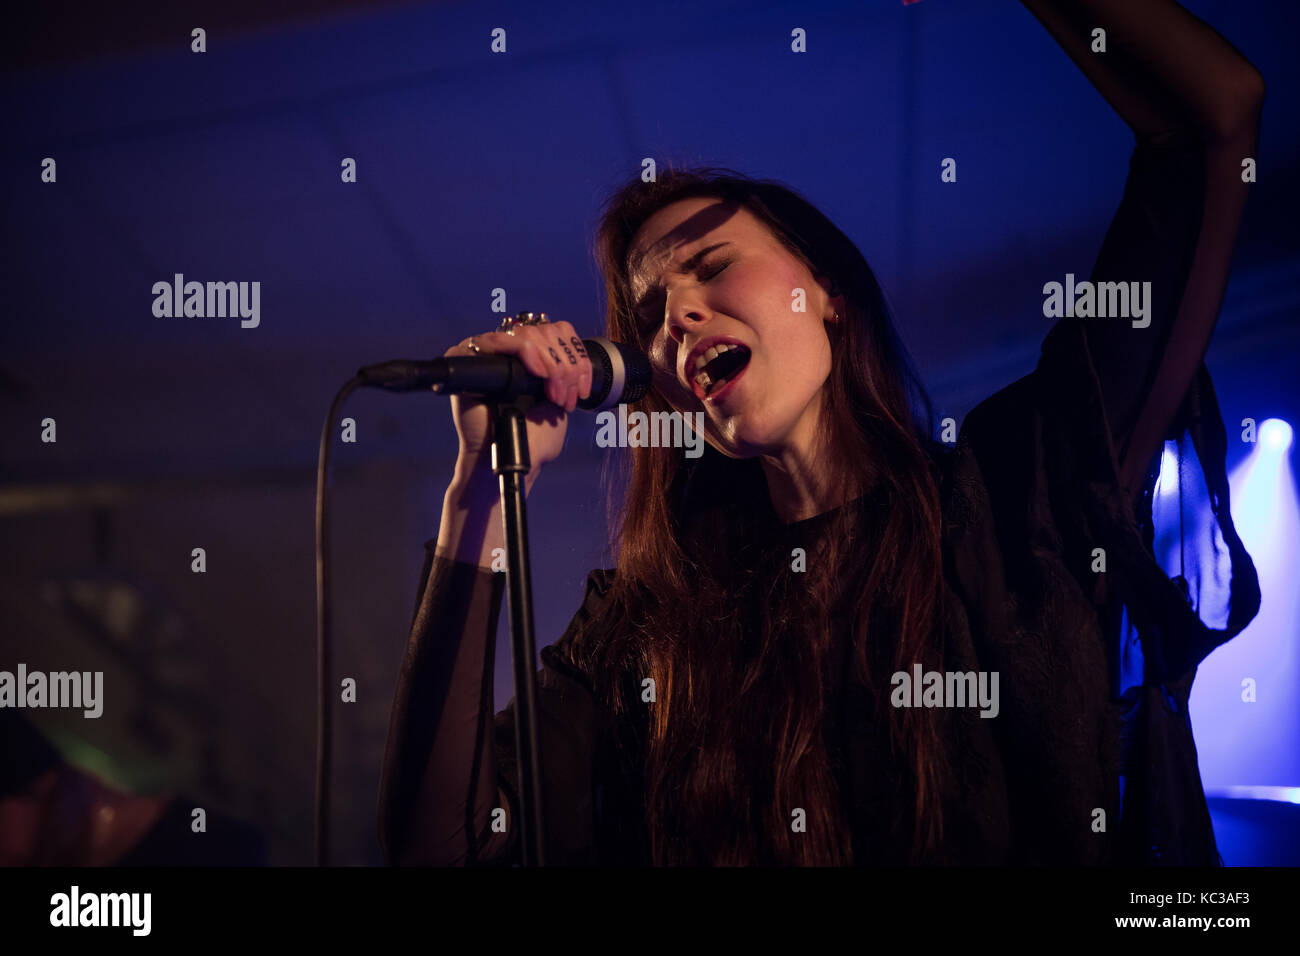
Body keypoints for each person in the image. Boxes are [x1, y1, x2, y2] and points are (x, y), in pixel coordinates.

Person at [379, 0, 1264, 866]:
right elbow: (441, 846)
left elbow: (1211, 117)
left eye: (712, 267)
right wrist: (483, 494)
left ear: (829, 292)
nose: (677, 316)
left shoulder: (1019, 484)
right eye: (650, 315)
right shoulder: (649, 625)